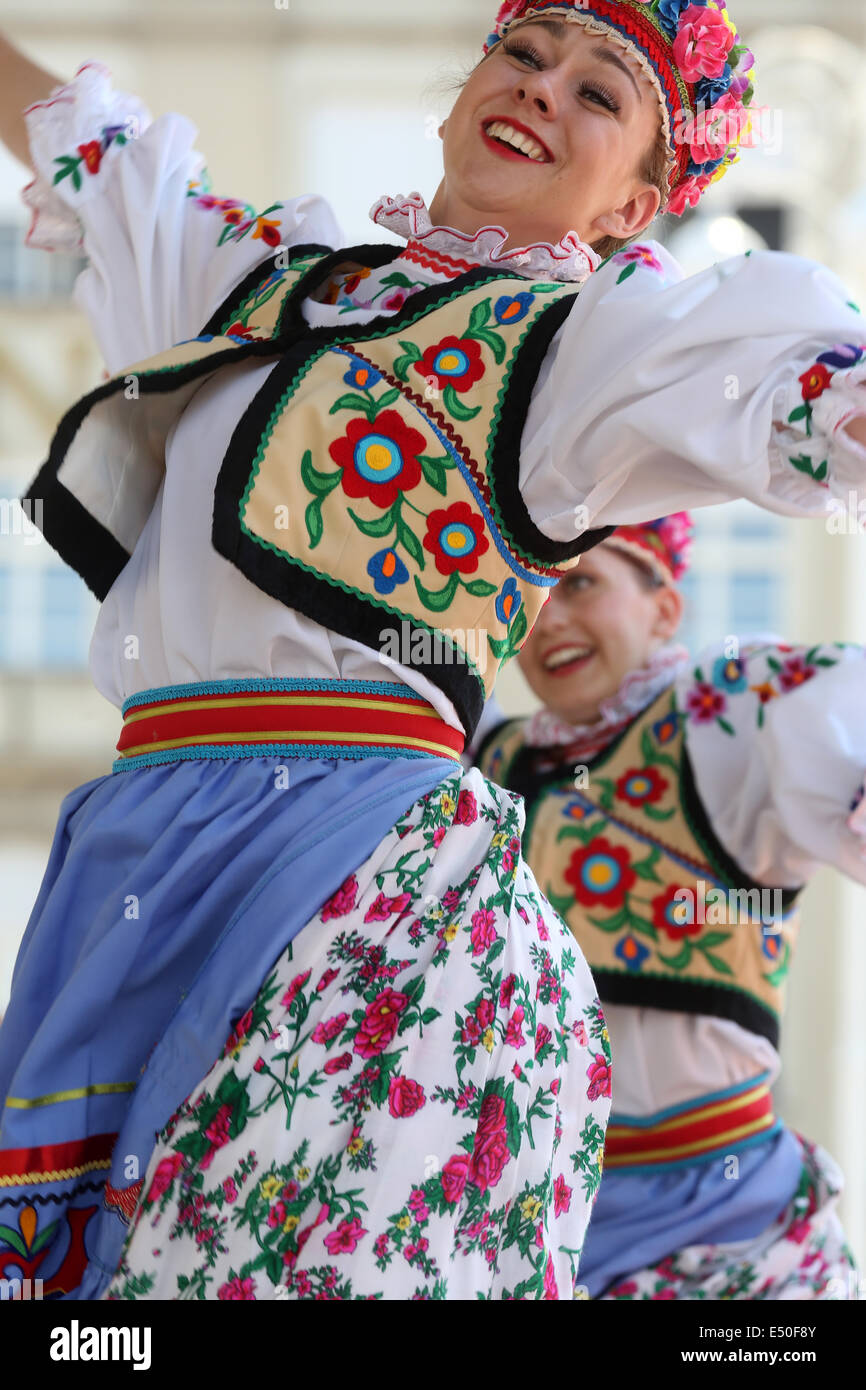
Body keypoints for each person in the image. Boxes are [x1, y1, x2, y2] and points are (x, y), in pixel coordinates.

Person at [0, 0, 865, 1300]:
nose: (538, 88)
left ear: (635, 204)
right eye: (521, 55)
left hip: (362, 872)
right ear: (460, 95)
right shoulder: (260, 279)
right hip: (149, 829)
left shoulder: (583, 347)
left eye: (598, 92)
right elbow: (103, 156)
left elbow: (812, 393)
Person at [475, 515, 866, 1299]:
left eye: (580, 581)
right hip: (550, 1227)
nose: (547, 614)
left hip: (733, 1226)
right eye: (530, 591)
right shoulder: (489, 763)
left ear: (665, 610)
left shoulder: (722, 716)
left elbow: (835, 713)